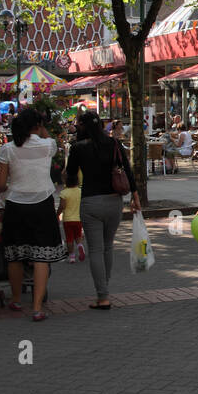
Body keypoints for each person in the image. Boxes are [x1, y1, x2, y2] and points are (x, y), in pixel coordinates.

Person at [0, 108, 66, 321]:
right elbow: (49, 140)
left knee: (15, 255)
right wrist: (42, 130)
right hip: (43, 204)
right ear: (37, 125)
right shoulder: (48, 145)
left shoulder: (7, 149)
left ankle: (15, 299)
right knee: (41, 256)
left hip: (16, 205)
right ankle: (37, 307)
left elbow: (0, 184)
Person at [66, 111, 141, 309]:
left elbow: (70, 177)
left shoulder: (78, 148)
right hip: (114, 201)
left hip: (91, 202)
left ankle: (103, 295)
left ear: (82, 126)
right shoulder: (114, 144)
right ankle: (104, 287)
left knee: (96, 250)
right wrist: (135, 196)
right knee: (108, 246)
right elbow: (127, 169)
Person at [55, 167, 85, 264]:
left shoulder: (64, 193)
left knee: (69, 238)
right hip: (78, 218)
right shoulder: (80, 191)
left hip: (68, 219)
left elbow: (62, 206)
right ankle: (80, 246)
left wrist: (57, 214)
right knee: (78, 235)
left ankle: (72, 256)